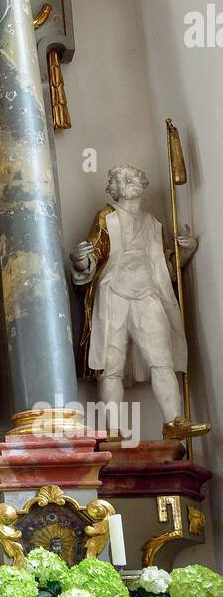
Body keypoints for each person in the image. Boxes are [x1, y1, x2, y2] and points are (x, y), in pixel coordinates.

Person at [70, 165, 201, 439]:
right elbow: (93, 256)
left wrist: (185, 252)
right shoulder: (107, 218)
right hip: (114, 294)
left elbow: (165, 267)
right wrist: (80, 260)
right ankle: (113, 431)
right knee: (111, 364)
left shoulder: (154, 224)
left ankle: (173, 421)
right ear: (114, 189)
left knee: (161, 358)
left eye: (132, 177)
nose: (129, 182)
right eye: (122, 179)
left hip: (148, 294)